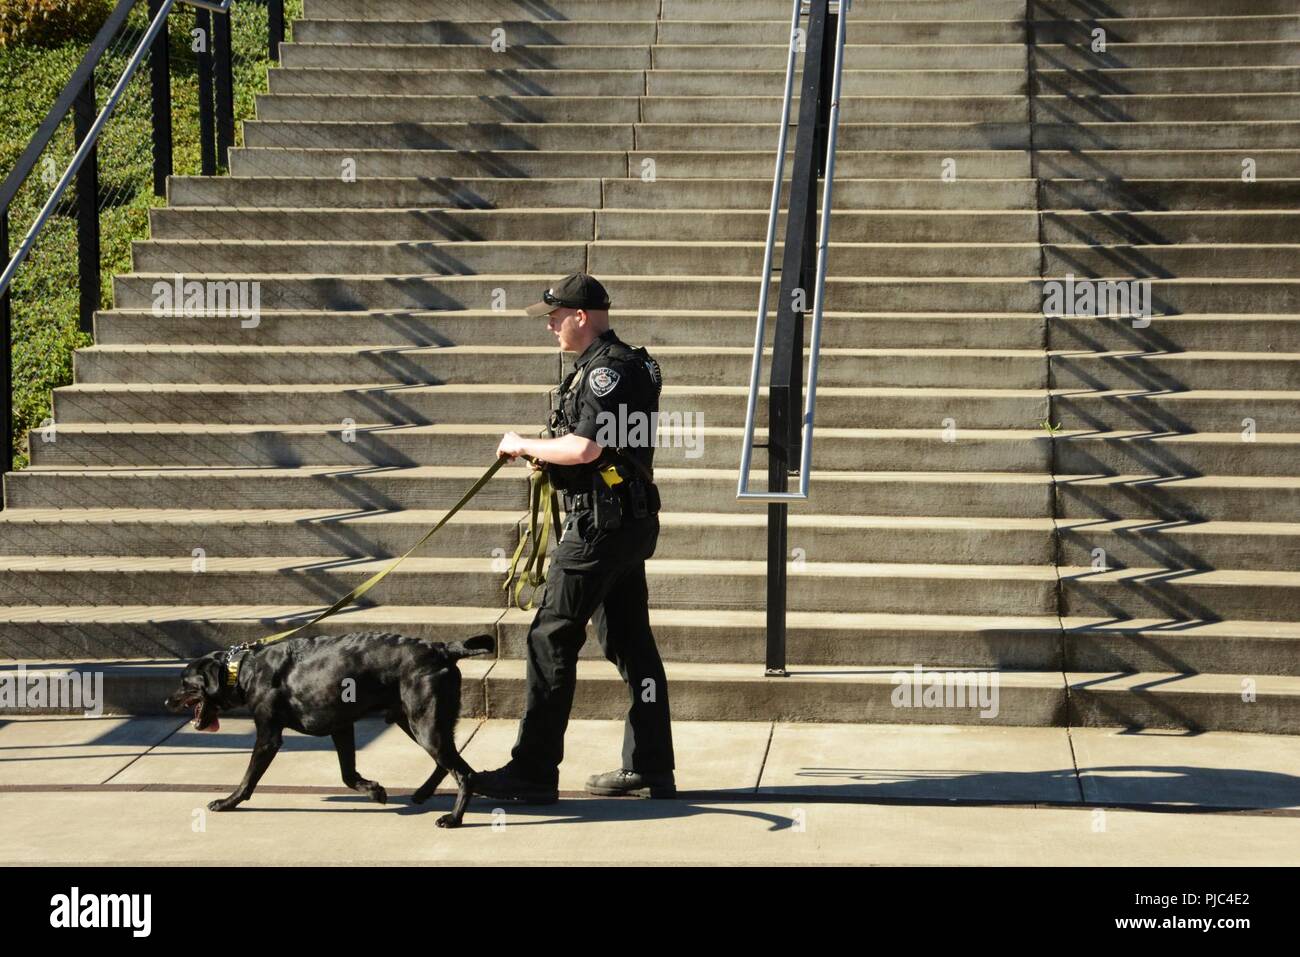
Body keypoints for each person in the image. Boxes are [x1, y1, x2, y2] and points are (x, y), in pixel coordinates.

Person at [474, 272, 676, 802]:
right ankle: (651, 766)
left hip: (599, 527)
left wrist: (524, 445)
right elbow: (602, 449)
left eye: (555, 316)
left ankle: (533, 772)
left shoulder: (605, 373)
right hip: (626, 524)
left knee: (550, 636)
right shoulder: (632, 365)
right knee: (631, 643)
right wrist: (546, 455)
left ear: (581, 316)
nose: (549, 326)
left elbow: (586, 449)